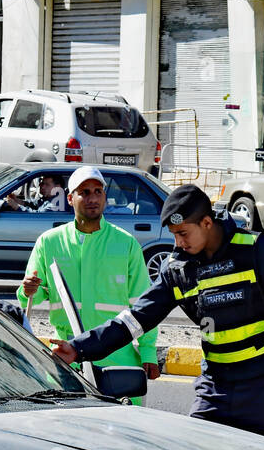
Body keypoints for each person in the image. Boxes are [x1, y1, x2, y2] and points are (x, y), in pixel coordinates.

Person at [50, 184, 264, 444]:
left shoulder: (259, 251)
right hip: (215, 389)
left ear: (206, 223)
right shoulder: (177, 270)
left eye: (183, 233)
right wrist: (78, 348)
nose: (178, 242)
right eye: (174, 235)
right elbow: (136, 320)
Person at [19, 167, 159, 404]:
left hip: (117, 355)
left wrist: (148, 351)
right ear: (70, 197)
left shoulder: (125, 244)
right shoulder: (50, 242)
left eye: (98, 191)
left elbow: (143, 304)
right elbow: (31, 296)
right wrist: (28, 290)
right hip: (66, 354)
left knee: (125, 432)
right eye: (84, 192)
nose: (93, 198)